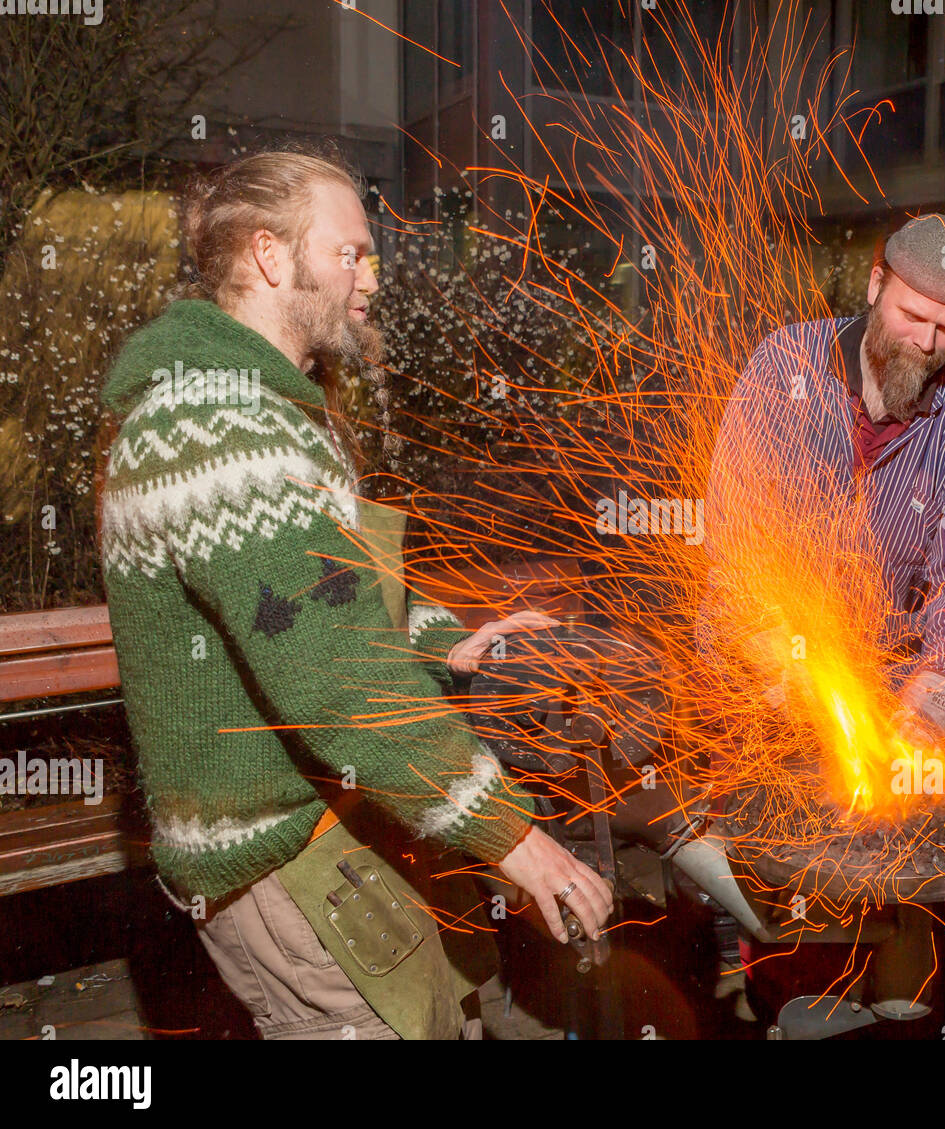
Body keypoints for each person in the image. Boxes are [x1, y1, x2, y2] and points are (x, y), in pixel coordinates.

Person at [98, 148, 612, 1039]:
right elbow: (340, 684)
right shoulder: (217, 428)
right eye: (351, 253)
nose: (371, 278)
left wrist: (451, 645)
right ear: (270, 256)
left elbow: (351, 599)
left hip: (338, 818)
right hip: (279, 857)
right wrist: (517, 842)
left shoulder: (279, 408)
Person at [700, 213, 945, 1022]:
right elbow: (736, 555)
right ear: (875, 285)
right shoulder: (783, 367)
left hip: (885, 681)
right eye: (913, 315)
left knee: (900, 883)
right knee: (795, 913)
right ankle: (788, 1000)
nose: (928, 342)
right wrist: (790, 672)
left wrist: (931, 705)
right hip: (763, 679)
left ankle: (899, 1009)